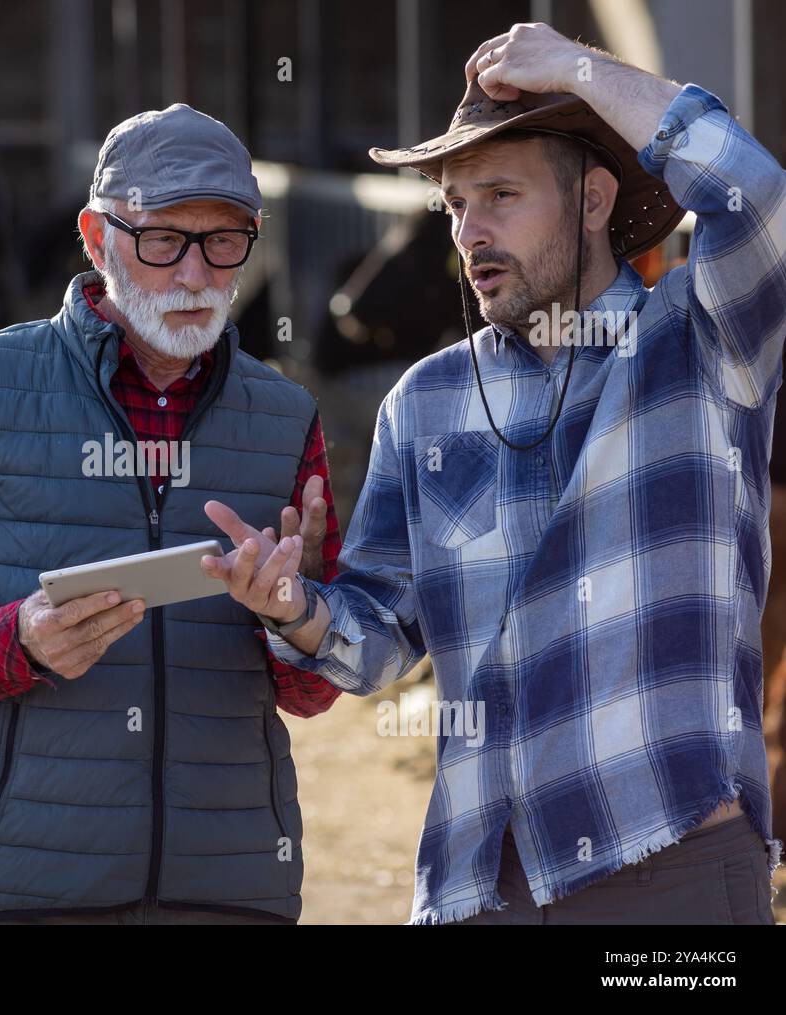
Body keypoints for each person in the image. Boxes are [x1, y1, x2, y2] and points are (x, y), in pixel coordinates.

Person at [203, 22, 785, 925]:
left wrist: (580, 70)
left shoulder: (704, 343)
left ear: (595, 199)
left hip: (670, 870)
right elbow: (380, 640)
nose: (470, 232)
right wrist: (294, 610)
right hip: (478, 883)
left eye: (502, 195)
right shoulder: (424, 402)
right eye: (455, 204)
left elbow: (755, 195)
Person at [0, 103, 341, 924]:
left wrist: (297, 619)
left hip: (229, 887)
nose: (196, 275)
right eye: (164, 240)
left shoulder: (287, 417)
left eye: (225, 241)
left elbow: (310, 692)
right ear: (96, 237)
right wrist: (14, 640)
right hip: (27, 886)